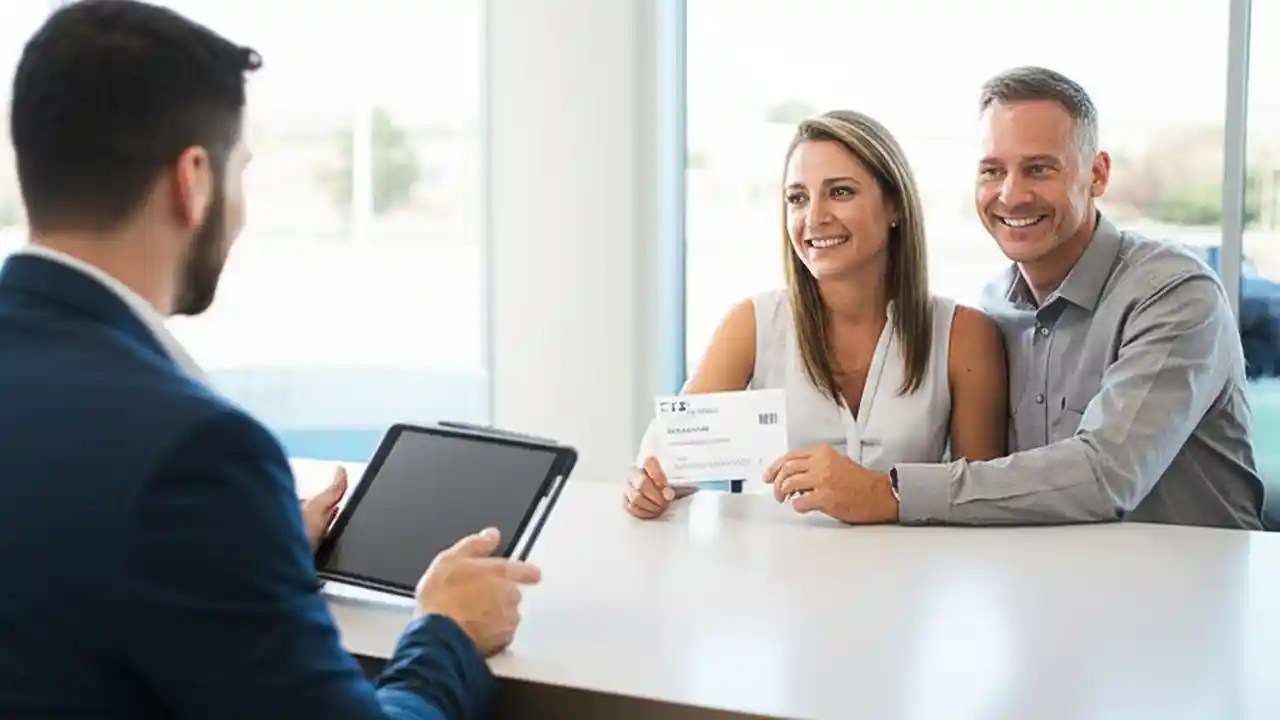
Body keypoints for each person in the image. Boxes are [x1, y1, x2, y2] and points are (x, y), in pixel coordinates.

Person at [0, 1, 539, 717]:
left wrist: (248, 552)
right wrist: (447, 633)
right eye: (240, 172)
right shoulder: (195, 453)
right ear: (192, 181)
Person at [769, 66, 1265, 529]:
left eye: (1039, 169)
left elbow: (1107, 473)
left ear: (1097, 174)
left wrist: (891, 493)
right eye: (991, 170)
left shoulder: (1174, 294)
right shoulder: (992, 313)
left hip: (1192, 599)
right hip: (1052, 595)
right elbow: (990, 482)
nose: (1010, 194)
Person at [624, 110, 1009, 520]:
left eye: (840, 192)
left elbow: (979, 502)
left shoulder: (965, 336)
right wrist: (649, 487)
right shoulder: (752, 325)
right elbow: (668, 463)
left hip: (907, 576)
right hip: (776, 576)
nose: (814, 217)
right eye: (797, 198)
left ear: (894, 204)